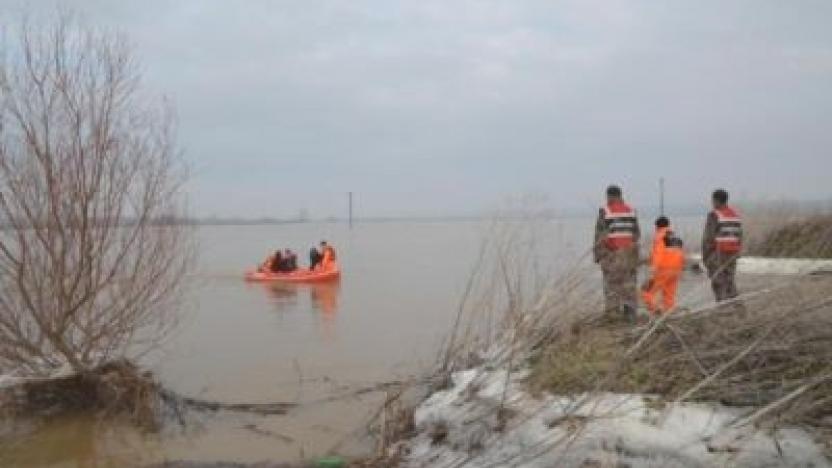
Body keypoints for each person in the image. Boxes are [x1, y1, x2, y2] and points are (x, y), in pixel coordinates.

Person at [594, 185, 641, 321]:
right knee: (629, 286)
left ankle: (613, 315)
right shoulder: (631, 211)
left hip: (612, 255)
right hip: (629, 255)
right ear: (621, 196)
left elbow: (600, 237)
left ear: (609, 196)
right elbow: (637, 234)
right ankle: (630, 314)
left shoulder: (605, 211)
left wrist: (598, 257)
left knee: (612, 286)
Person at [702, 189, 743, 302]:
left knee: (718, 282)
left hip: (718, 253)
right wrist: (737, 252)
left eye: (712, 200)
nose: (712, 203)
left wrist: (705, 257)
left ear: (716, 200)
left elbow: (708, 238)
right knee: (730, 281)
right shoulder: (735, 215)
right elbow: (739, 236)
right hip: (732, 254)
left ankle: (723, 308)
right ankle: (736, 306)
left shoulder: (714, 215)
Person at [641, 216, 685, 316]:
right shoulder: (676, 237)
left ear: (657, 227)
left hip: (663, 270)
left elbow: (658, 255)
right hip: (676, 271)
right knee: (669, 297)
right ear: (668, 225)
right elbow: (681, 254)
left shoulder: (659, 236)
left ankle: (656, 312)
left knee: (646, 291)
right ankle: (668, 315)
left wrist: (652, 271)